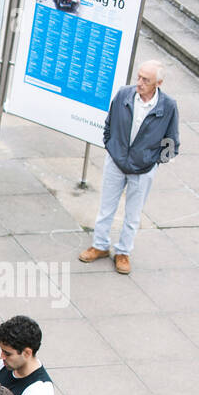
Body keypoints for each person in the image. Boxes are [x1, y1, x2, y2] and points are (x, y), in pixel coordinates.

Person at [79, 60, 180, 275]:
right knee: (106, 208)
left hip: (143, 169)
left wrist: (153, 160)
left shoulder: (168, 106)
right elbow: (109, 123)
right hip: (116, 162)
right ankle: (100, 245)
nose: (140, 83)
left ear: (158, 83)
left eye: (146, 80)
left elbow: (171, 142)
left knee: (133, 215)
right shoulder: (124, 95)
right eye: (139, 77)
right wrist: (111, 145)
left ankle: (123, 252)